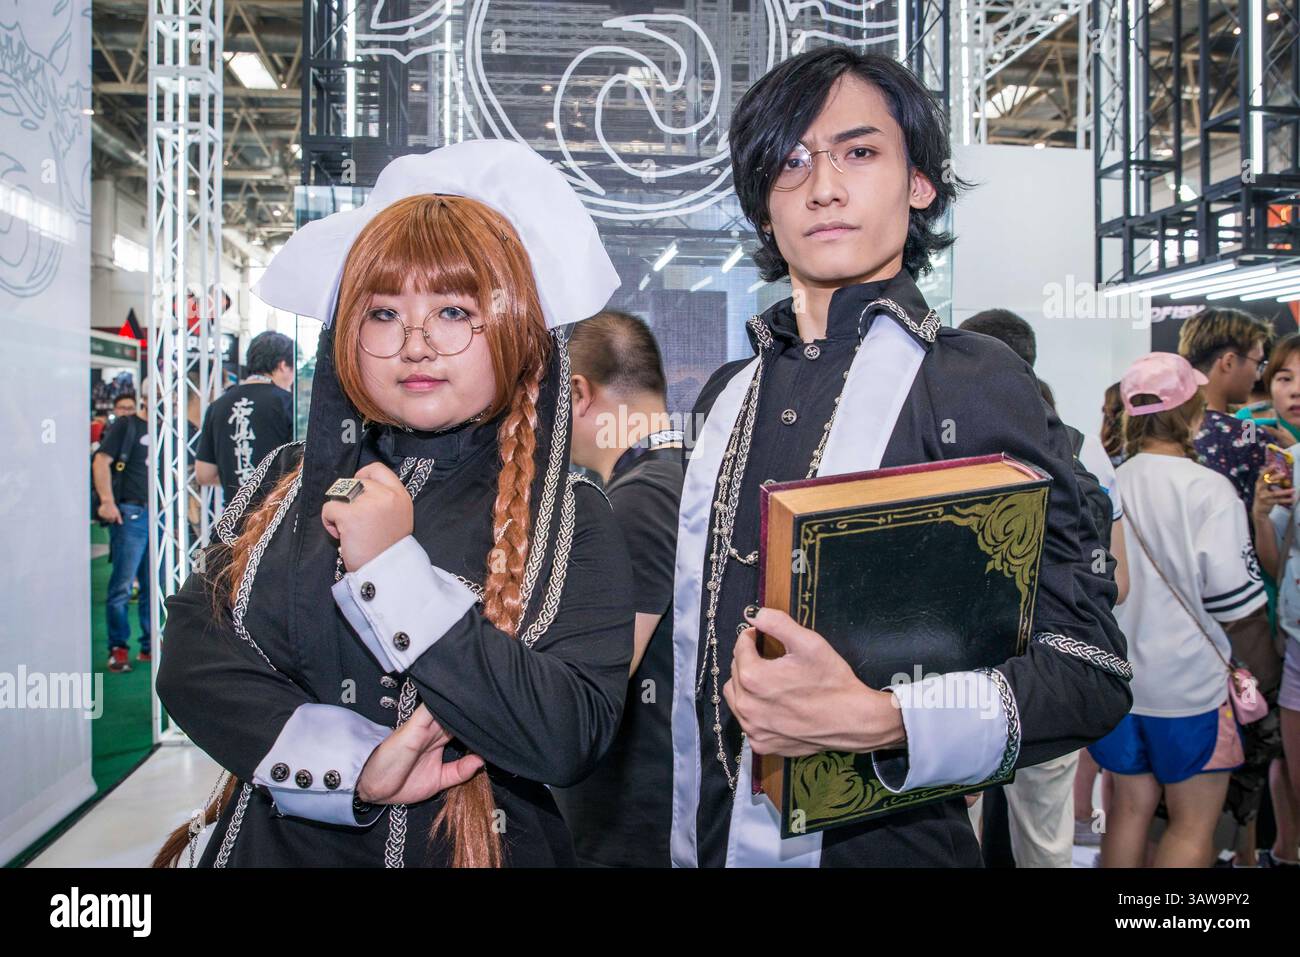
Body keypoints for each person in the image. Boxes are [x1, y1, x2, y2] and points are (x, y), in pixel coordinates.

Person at [670, 45, 1130, 868]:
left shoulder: (971, 380)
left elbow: (1089, 665)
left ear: (919, 183)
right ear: (760, 199)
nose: (823, 186)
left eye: (859, 152)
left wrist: (889, 719)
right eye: (790, 160)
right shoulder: (725, 396)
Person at [153, 139, 633, 868]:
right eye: (382, 312)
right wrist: (352, 766)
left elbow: (569, 732)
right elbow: (193, 659)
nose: (415, 343)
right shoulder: (282, 483)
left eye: (452, 310)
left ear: (515, 328)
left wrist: (391, 570)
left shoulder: (573, 514)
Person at [958, 307, 1129, 866]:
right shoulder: (1079, 447)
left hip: (966, 672)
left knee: (961, 827)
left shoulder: (956, 439)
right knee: (1046, 839)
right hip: (1056, 665)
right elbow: (1116, 581)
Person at [1090, 352, 1264, 867]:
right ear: (1192, 412)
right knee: (1192, 824)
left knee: (1127, 811)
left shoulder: (1108, 486)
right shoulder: (1209, 489)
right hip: (1193, 687)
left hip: (1118, 682)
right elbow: (1233, 599)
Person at [552, 311, 684, 867]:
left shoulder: (638, 500)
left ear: (578, 393)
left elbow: (590, 681)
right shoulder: (684, 474)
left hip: (630, 822)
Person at [1246, 335, 1300, 869]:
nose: (1294, 389)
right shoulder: (1284, 461)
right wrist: (1262, 514)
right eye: (1284, 377)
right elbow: (1277, 566)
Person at [1179, 308, 1275, 515]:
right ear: (1229, 362)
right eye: (1257, 363)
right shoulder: (1249, 437)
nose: (1258, 376)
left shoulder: (1156, 428)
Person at [196, 330, 295, 505]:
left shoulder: (217, 406)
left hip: (232, 521)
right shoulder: (288, 403)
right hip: (273, 516)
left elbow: (204, 474)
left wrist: (236, 482)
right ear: (282, 365)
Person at [92, 390, 151, 672]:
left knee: (154, 585)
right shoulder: (126, 425)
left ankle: (151, 643)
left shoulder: (169, 429)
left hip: (159, 515)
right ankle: (118, 648)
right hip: (129, 513)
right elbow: (101, 460)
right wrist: (107, 501)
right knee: (122, 586)